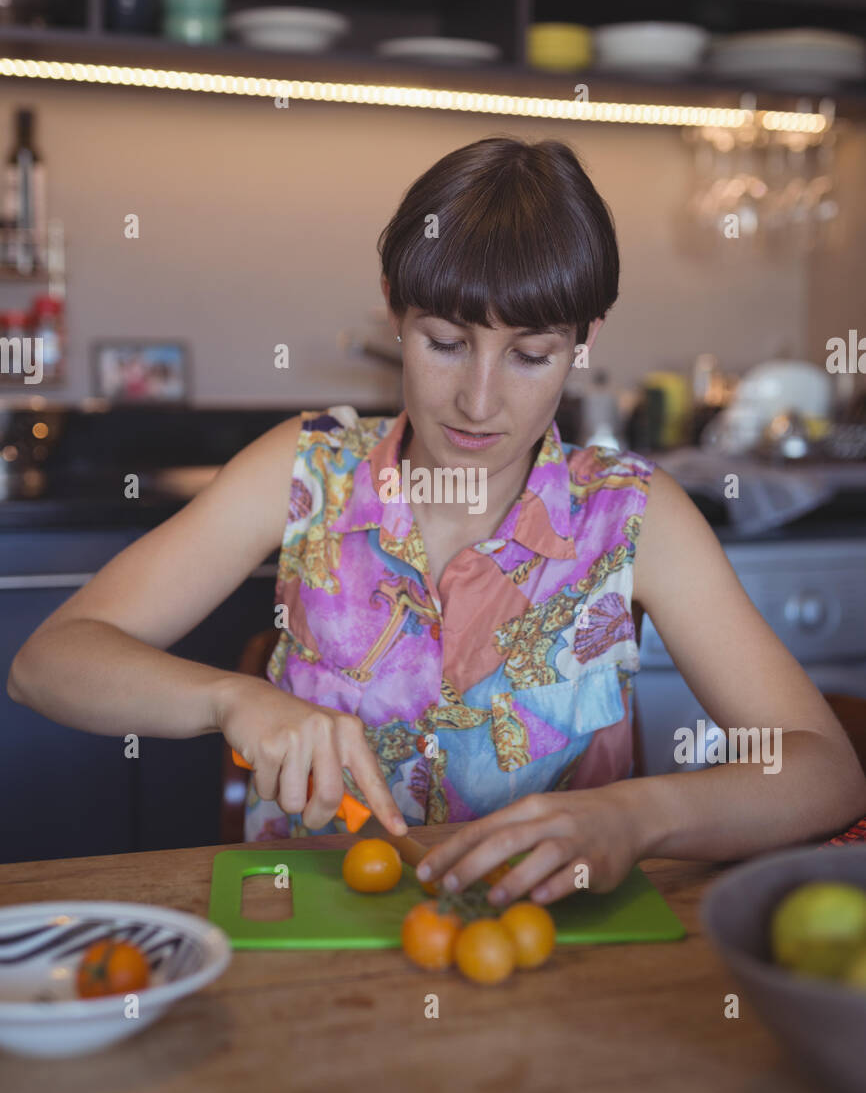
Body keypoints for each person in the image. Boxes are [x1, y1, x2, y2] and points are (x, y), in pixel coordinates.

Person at [8, 137, 865, 909]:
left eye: (532, 356)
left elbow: (824, 771)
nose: (480, 401)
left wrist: (637, 815)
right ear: (394, 311)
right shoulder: (305, 471)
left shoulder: (635, 513)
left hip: (553, 961)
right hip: (306, 951)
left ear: (584, 340)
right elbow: (50, 662)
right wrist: (233, 701)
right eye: (446, 342)